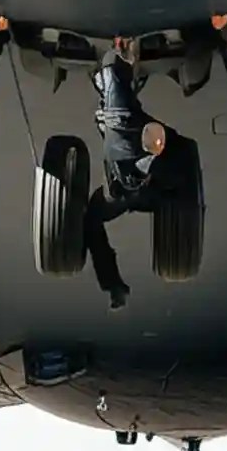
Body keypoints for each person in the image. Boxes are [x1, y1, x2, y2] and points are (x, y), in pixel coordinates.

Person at [84, 47, 181, 311]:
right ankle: (114, 287)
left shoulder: (118, 115)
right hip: (144, 192)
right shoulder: (134, 125)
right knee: (175, 187)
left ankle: (114, 286)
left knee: (91, 219)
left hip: (119, 195)